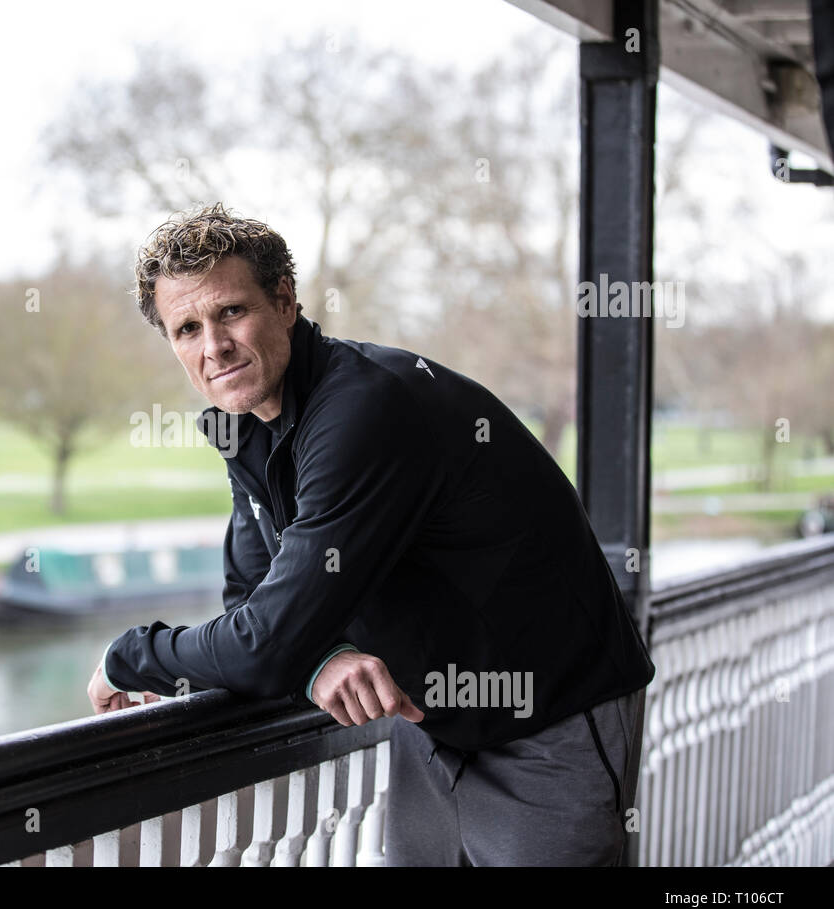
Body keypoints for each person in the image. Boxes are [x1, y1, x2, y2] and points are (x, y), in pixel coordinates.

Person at [87, 203, 655, 866]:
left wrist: (131, 653)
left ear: (284, 300)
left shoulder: (364, 409)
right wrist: (318, 660)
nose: (213, 347)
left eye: (231, 312)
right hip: (426, 721)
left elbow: (263, 645)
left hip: (551, 722)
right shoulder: (240, 424)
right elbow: (250, 602)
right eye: (187, 328)